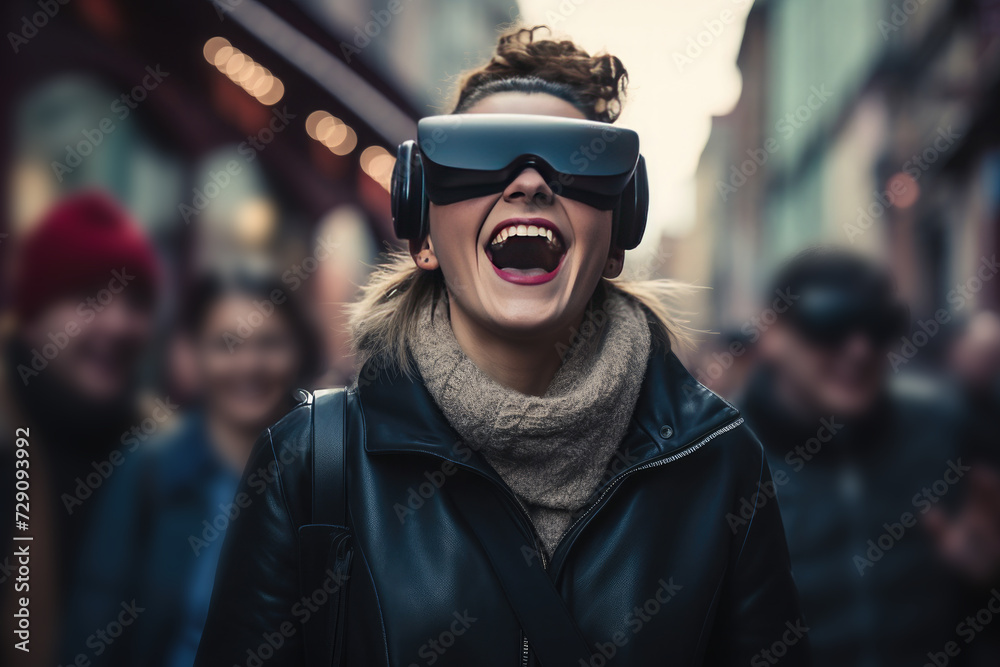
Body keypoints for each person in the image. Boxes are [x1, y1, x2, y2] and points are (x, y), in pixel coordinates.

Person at [196, 26, 808, 667]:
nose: (529, 185)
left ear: (619, 233)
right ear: (422, 226)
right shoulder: (310, 466)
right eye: (480, 156)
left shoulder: (717, 463)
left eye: (576, 162)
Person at [738, 246, 999, 666]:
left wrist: (984, 583)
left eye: (878, 327)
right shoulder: (720, 459)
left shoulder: (944, 430)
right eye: (829, 323)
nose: (859, 350)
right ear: (772, 335)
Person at [58, 268, 323, 667]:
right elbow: (96, 619)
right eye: (227, 344)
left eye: (270, 343)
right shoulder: (149, 471)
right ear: (191, 354)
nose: (249, 365)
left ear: (299, 350)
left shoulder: (328, 471)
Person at [0, 191, 160, 667]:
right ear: (34, 314)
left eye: (134, 301)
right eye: (89, 297)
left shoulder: (162, 453)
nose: (117, 323)